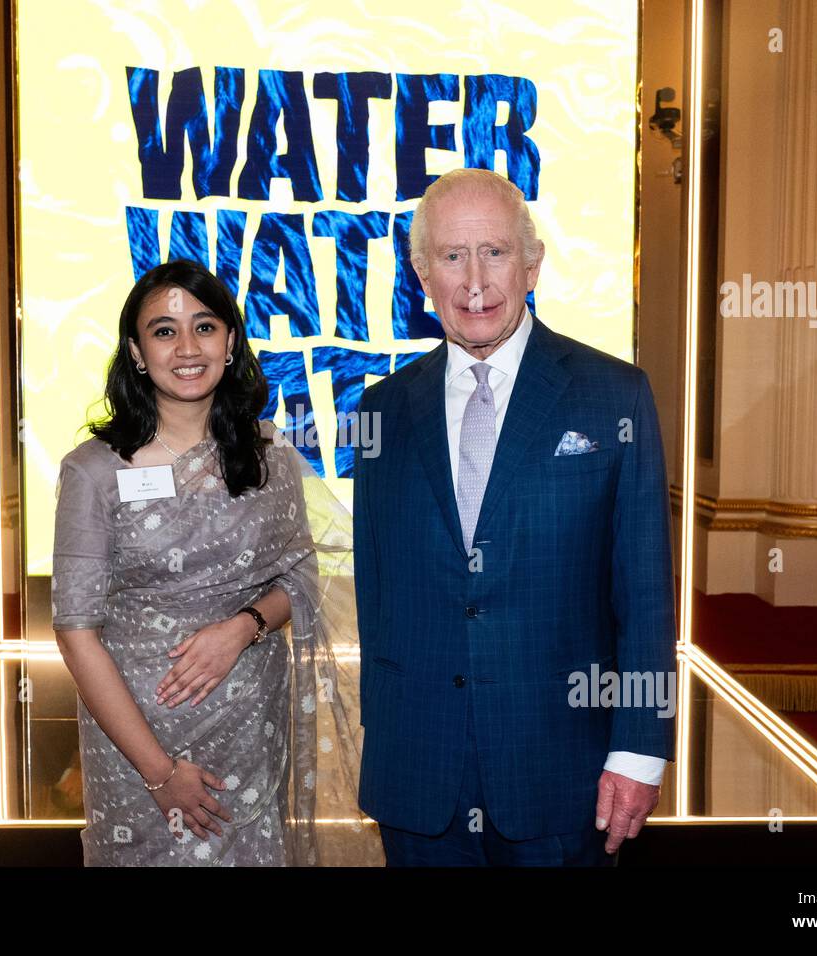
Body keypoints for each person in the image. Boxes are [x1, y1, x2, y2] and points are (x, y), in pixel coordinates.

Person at [353, 168, 677, 866]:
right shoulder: (379, 413)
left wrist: (641, 750)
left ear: (531, 265)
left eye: (495, 252)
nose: (475, 280)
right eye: (451, 256)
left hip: (564, 776)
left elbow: (646, 594)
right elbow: (378, 596)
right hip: (419, 777)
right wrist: (383, 743)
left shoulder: (614, 396)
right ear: (421, 273)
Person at [51, 259, 380, 866]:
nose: (186, 348)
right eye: (164, 331)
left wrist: (243, 627)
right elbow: (75, 631)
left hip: (251, 734)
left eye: (204, 327)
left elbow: (304, 574)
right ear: (135, 349)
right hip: (137, 747)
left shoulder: (268, 456)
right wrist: (158, 773)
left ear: (230, 341)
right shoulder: (93, 470)